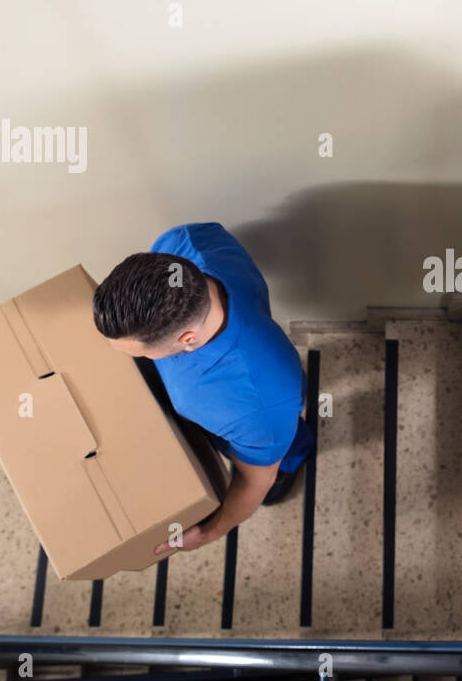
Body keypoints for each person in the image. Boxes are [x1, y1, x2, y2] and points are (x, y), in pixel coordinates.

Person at [93, 221, 313, 553]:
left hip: (267, 413)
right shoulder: (183, 241)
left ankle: (294, 459)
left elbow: (257, 479)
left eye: (140, 353)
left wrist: (211, 532)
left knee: (284, 447)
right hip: (257, 377)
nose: (132, 358)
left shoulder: (254, 405)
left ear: (187, 339)